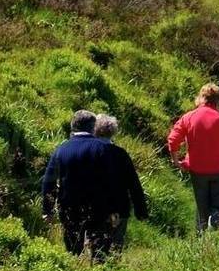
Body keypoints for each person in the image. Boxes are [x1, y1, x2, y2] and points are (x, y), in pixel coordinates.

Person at [41, 110, 149, 260]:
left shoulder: (61, 150)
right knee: (100, 254)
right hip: (98, 208)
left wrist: (47, 210)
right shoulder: (105, 150)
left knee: (73, 252)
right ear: (93, 128)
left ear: (72, 127)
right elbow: (122, 181)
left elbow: (49, 181)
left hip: (69, 208)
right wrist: (135, 209)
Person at [167, 84, 219, 233]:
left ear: (200, 98)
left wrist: (176, 161)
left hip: (197, 170)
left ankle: (201, 236)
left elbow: (173, 140)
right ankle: (217, 231)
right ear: (218, 100)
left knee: (201, 205)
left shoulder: (188, 117)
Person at [93, 114, 142, 253]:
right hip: (119, 207)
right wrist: (140, 208)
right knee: (116, 244)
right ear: (113, 131)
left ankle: (96, 270)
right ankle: (113, 269)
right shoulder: (121, 154)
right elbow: (133, 183)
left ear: (94, 130)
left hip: (96, 206)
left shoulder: (90, 152)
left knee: (96, 243)